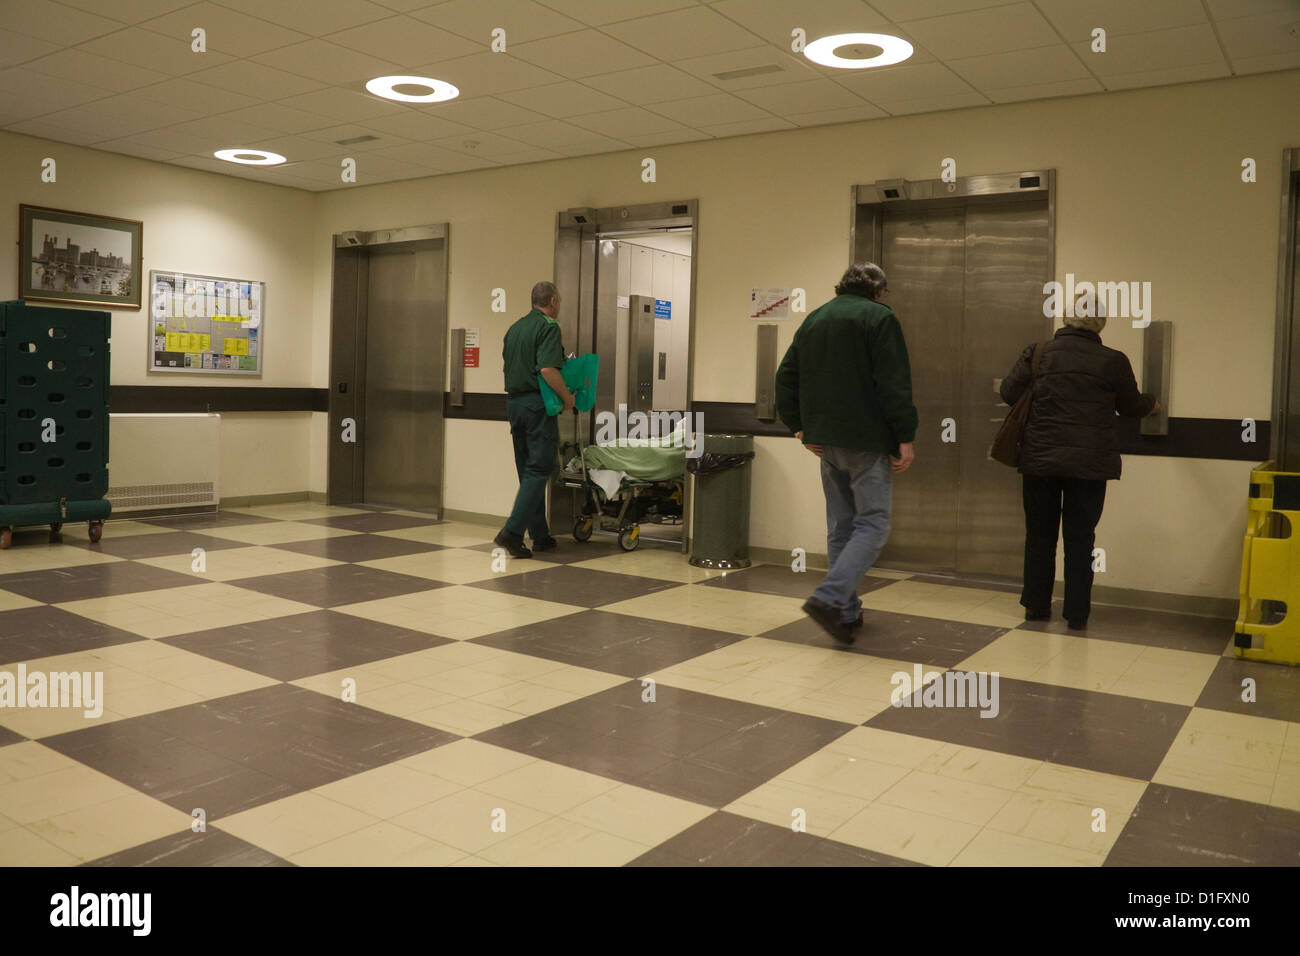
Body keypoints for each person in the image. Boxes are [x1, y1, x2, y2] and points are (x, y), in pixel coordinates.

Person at [775, 262, 918, 644]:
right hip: (866, 440)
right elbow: (894, 383)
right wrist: (904, 435)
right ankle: (830, 597)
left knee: (841, 525)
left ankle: (846, 612)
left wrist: (800, 428)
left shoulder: (816, 318)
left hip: (826, 442)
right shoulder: (879, 318)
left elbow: (786, 376)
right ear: (879, 292)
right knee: (873, 524)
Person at [1000, 301, 1159, 629]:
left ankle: (1036, 606)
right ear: (1099, 325)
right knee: (1080, 537)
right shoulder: (1113, 361)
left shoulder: (1039, 352)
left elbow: (1007, 392)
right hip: (1089, 465)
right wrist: (1152, 404)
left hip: (1040, 460)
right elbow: (1130, 406)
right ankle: (1076, 613)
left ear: (1066, 319)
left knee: (1040, 535)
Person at [495, 281, 575, 559]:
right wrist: (567, 398)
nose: (559, 306)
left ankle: (540, 535)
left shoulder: (515, 328)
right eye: (559, 302)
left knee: (527, 470)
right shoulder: (549, 327)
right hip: (536, 405)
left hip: (514, 405)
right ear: (552, 301)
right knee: (540, 469)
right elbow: (547, 369)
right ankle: (512, 533)